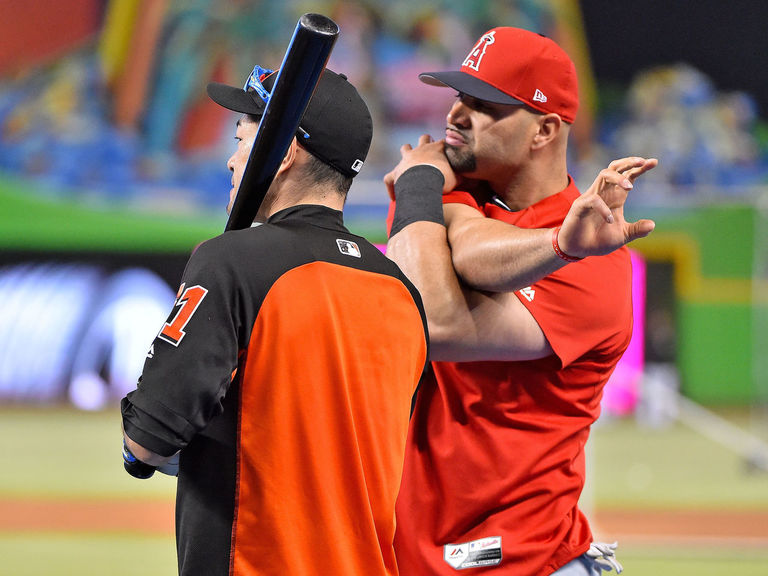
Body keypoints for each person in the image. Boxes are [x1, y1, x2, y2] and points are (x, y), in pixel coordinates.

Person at [120, 66, 429, 576]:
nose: (231, 158)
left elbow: (147, 440)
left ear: (283, 154)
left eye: (242, 140)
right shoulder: (401, 291)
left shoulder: (230, 262)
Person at [386, 27, 657, 575]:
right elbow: (465, 250)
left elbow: (435, 325)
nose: (456, 115)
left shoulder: (596, 256)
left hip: (523, 562)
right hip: (414, 557)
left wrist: (421, 191)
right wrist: (435, 197)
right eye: (458, 96)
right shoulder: (454, 200)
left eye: (484, 106)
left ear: (545, 130)